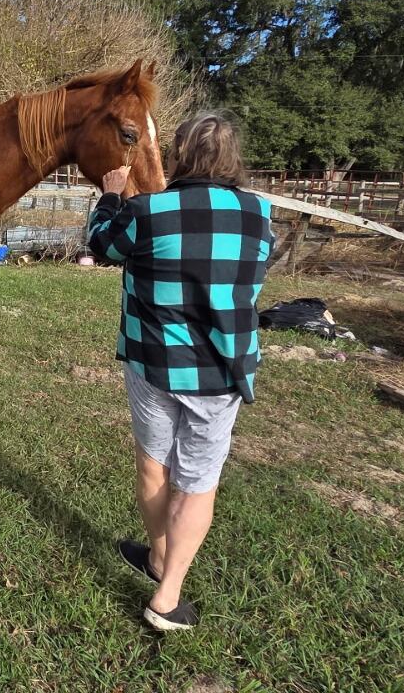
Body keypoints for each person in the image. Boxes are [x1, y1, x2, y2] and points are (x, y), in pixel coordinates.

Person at [86, 113, 273, 631]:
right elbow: (253, 272)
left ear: (179, 154)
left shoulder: (149, 210)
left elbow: (101, 246)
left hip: (154, 363)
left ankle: (160, 573)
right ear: (233, 158)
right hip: (220, 371)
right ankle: (165, 588)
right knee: (197, 482)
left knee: (154, 465)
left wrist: (111, 196)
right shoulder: (260, 213)